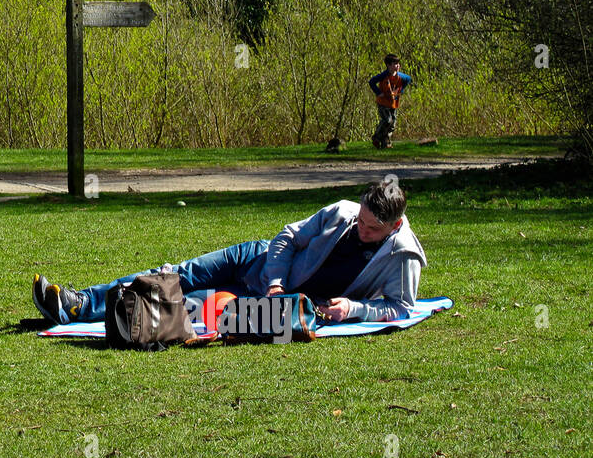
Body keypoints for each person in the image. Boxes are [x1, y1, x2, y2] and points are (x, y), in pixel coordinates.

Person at [32, 179, 424, 326]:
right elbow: (287, 236)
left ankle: (110, 314)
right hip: (253, 260)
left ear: (395, 225)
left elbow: (401, 308)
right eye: (362, 219)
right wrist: (275, 280)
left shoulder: (403, 256)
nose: (361, 228)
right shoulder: (342, 212)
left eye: (372, 228)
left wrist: (354, 310)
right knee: (176, 274)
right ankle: (80, 302)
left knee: (181, 304)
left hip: (261, 302)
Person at [369, 54, 412, 149]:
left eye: (398, 64)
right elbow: (372, 82)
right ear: (388, 65)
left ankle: (386, 142)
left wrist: (400, 90)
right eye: (395, 64)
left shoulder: (401, 77)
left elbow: (409, 79)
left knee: (393, 124)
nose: (397, 66)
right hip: (383, 102)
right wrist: (378, 92)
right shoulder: (384, 76)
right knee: (387, 120)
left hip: (393, 103)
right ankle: (377, 137)